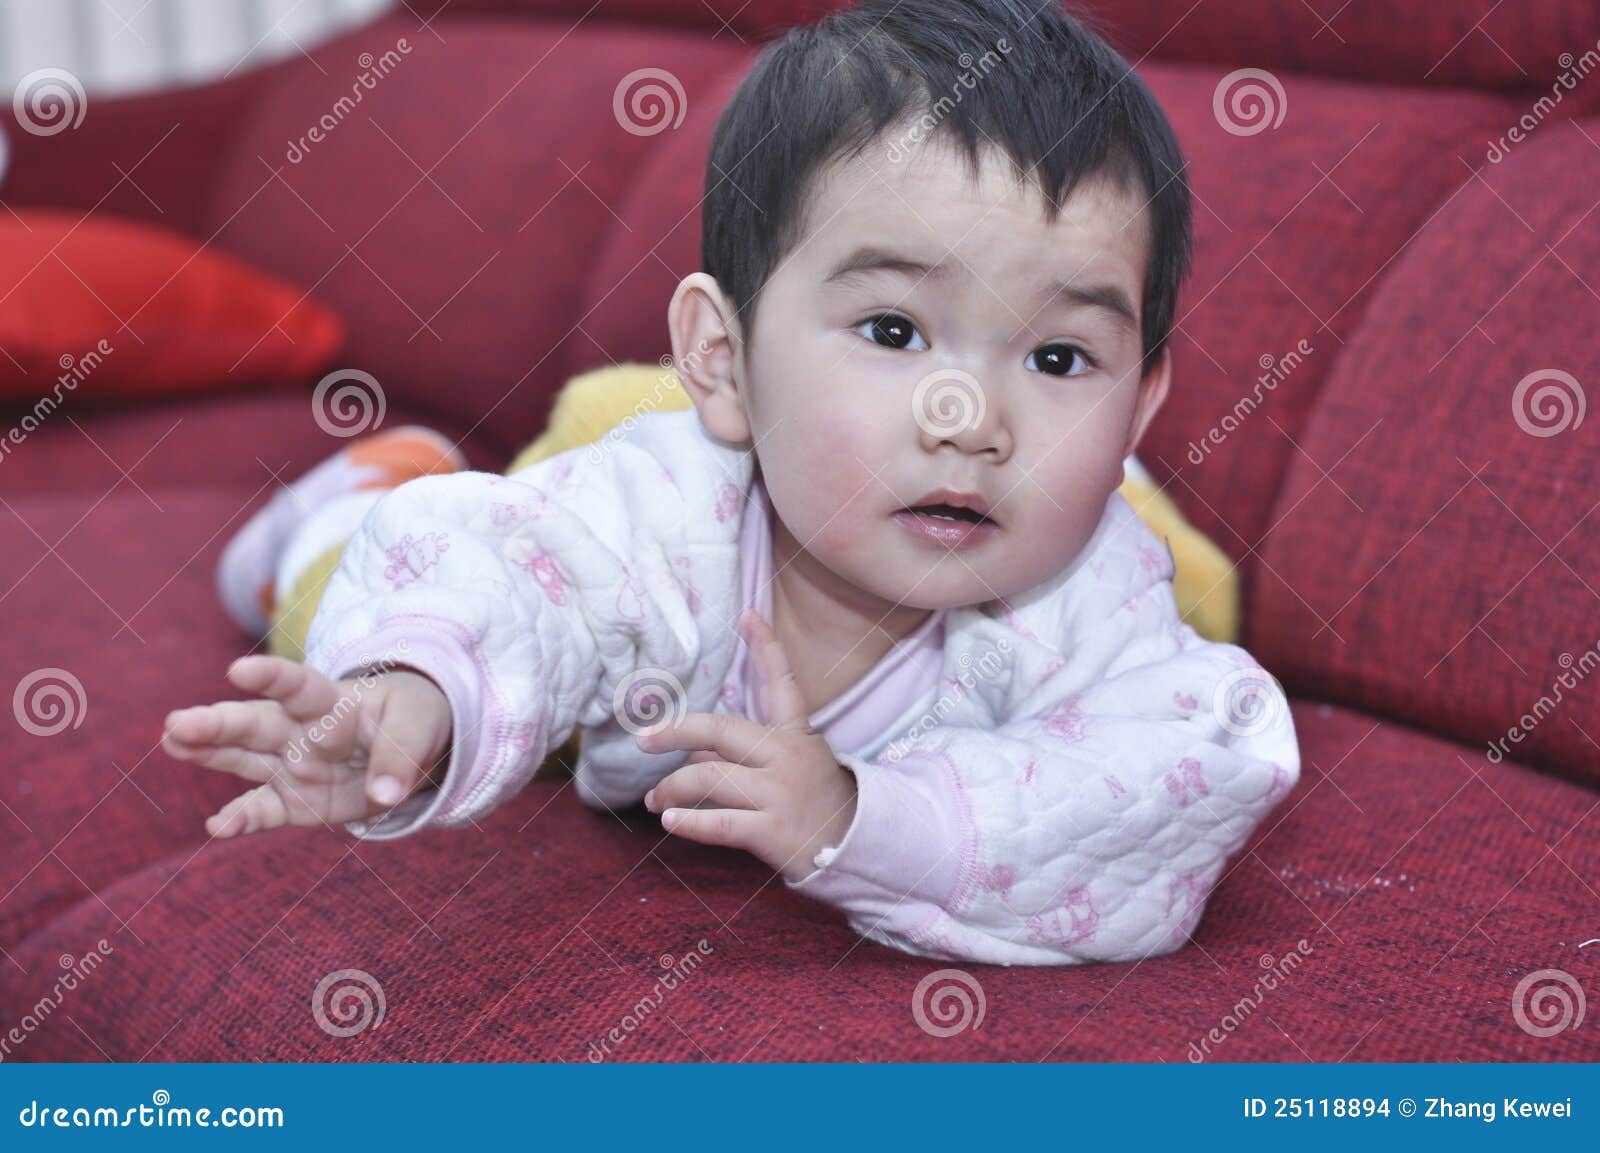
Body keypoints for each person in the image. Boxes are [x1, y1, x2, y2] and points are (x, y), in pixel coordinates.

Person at [163, 0, 1300, 965]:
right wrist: (410, 697)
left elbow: (1165, 782)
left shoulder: (1087, 600)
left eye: (1059, 359)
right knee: (368, 599)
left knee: (1176, 584)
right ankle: (357, 489)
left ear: (1141, 404)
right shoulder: (671, 513)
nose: (973, 422)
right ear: (723, 355)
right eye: (893, 328)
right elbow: (515, 569)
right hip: (607, 551)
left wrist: (860, 816)